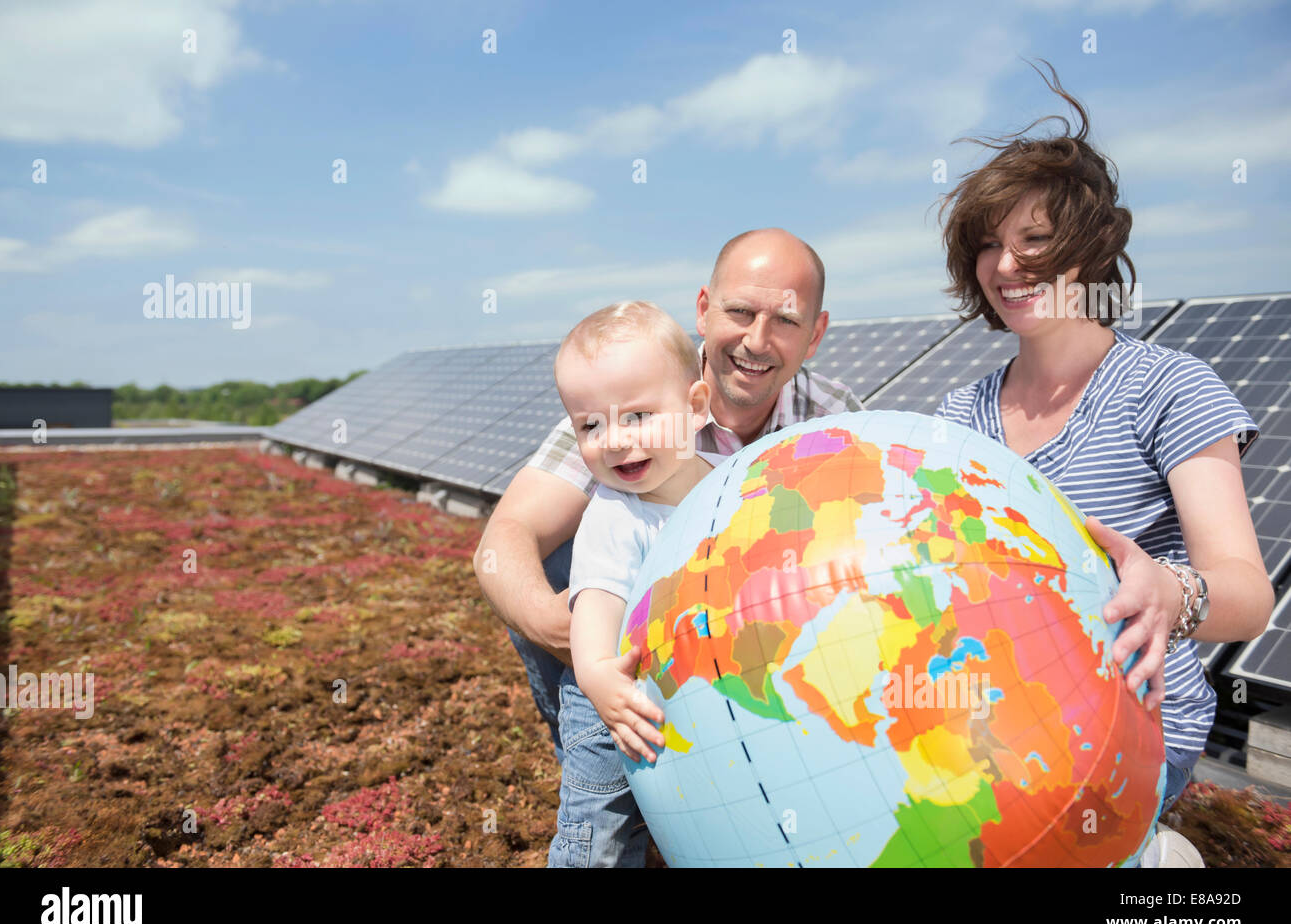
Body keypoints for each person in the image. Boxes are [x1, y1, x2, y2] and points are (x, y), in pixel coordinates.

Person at [931, 61, 1274, 865]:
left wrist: (1169, 590)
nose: (1006, 266)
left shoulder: (1169, 387)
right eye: (987, 245)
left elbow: (1249, 594)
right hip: (995, 720)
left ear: (1089, 249)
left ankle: (1154, 864)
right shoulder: (958, 417)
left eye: (1036, 241)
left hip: (1133, 725)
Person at [473, 228, 865, 867]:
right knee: (546, 572)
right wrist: (579, 643)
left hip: (746, 646)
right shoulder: (622, 404)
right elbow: (504, 539)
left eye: (785, 321)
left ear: (815, 334)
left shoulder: (833, 420)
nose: (757, 341)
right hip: (622, 653)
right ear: (705, 308)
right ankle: (599, 769)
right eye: (740, 312)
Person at [556, 302, 725, 766]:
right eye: (591, 424)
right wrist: (596, 676)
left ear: (694, 407)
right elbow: (596, 607)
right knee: (601, 823)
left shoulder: (732, 480)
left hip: (703, 687)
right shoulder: (616, 517)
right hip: (620, 703)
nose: (612, 440)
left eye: (635, 417)